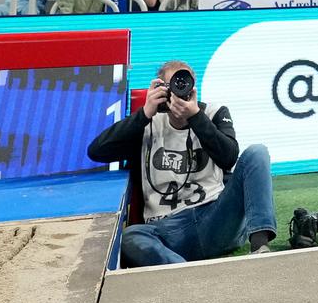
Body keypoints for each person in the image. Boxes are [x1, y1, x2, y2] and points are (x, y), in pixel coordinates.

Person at [86, 61, 276, 266]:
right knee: (131, 237)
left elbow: (229, 158)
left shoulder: (214, 113)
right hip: (167, 228)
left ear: (193, 88)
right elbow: (97, 151)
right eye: (172, 86)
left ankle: (260, 247)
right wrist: (144, 113)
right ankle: (183, 271)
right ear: (161, 90)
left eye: (184, 83)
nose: (179, 90)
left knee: (257, 152)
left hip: (215, 216)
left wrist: (195, 117)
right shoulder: (147, 124)